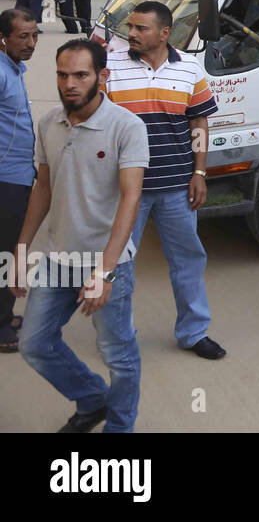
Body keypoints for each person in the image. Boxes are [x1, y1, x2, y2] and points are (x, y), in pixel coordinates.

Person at [15, 39, 149, 432]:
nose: (69, 83)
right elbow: (43, 186)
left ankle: (120, 426)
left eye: (80, 75)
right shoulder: (49, 122)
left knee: (117, 353)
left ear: (102, 77)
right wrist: (22, 249)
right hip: (58, 259)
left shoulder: (126, 127)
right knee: (35, 344)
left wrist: (105, 272)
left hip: (107, 263)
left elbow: (131, 197)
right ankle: (93, 400)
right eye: (62, 74)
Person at [104, 1, 225, 359]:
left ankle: (193, 332)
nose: (132, 34)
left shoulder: (189, 68)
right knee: (119, 263)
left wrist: (200, 172)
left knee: (188, 261)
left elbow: (199, 122)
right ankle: (116, 337)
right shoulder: (110, 67)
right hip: (128, 191)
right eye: (131, 28)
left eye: (141, 28)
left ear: (164, 33)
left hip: (176, 186)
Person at [1, 8, 39, 353]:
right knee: (5, 254)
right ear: (3, 38)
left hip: (19, 174)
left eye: (34, 35)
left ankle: (4, 314)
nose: (30, 43)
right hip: (5, 180)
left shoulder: (14, 68)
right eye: (22, 36)